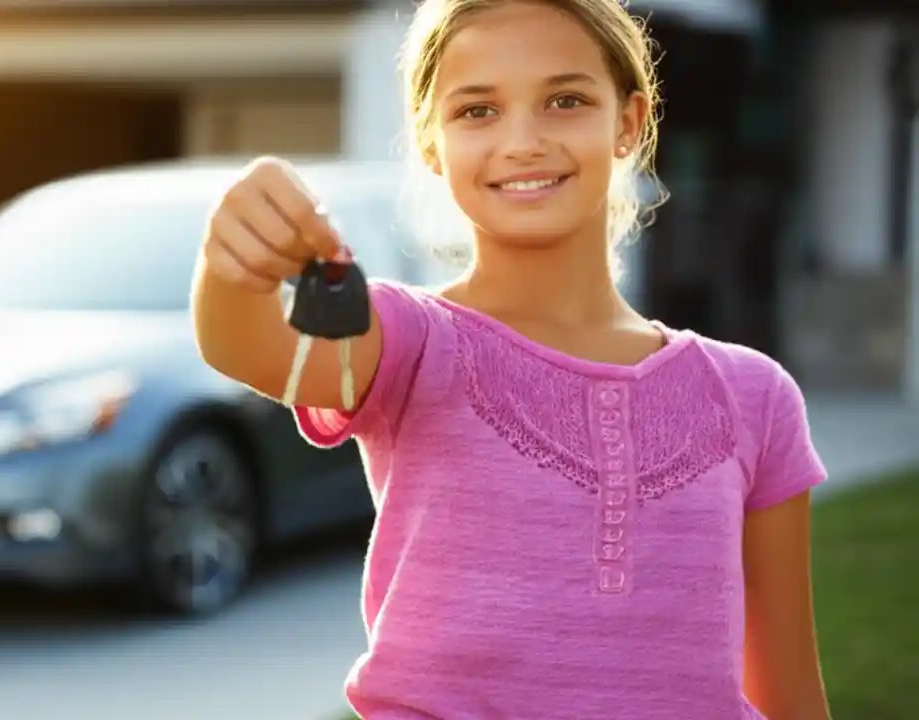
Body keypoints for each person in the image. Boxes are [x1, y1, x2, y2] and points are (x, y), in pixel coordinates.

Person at [190, 1, 832, 717]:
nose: (523, 141)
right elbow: (251, 346)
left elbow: (791, 696)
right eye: (477, 111)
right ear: (431, 144)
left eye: (565, 100)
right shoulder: (410, 340)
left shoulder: (755, 396)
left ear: (628, 122)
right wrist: (233, 267)